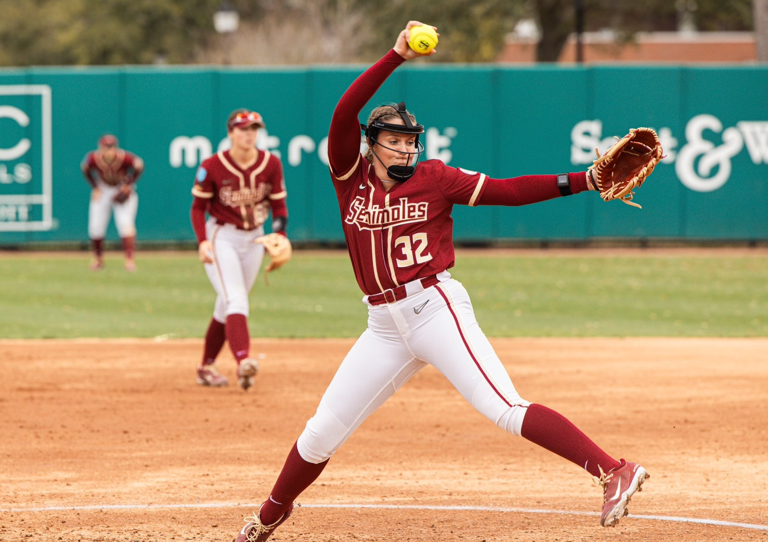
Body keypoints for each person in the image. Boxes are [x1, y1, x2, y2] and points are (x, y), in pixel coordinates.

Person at [232, 22, 649, 541]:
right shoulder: (350, 177)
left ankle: (615, 470)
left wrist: (581, 181)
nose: (406, 150)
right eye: (394, 141)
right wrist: (395, 55)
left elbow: (509, 191)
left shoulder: (435, 177)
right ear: (371, 146)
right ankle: (271, 513)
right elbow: (343, 113)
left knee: (503, 408)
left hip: (435, 308)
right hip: (382, 324)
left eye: (411, 141)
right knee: (322, 431)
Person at [190, 109, 289, 391]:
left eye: (254, 129)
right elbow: (198, 208)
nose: (249, 134)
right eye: (243, 129)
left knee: (227, 304)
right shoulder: (212, 165)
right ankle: (243, 360)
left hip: (255, 238)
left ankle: (206, 367)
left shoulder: (271, 163)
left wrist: (279, 234)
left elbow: (279, 205)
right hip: (223, 237)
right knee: (235, 299)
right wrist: (203, 241)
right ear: (231, 132)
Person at [81, 134, 144, 271]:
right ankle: (98, 260)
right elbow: (84, 168)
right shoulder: (93, 158)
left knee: (126, 224)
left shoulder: (124, 157)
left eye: (111, 146)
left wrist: (129, 184)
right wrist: (95, 187)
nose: (108, 150)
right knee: (96, 226)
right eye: (106, 147)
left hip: (120, 188)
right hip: (103, 189)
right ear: (100, 147)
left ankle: (129, 260)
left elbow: (139, 165)